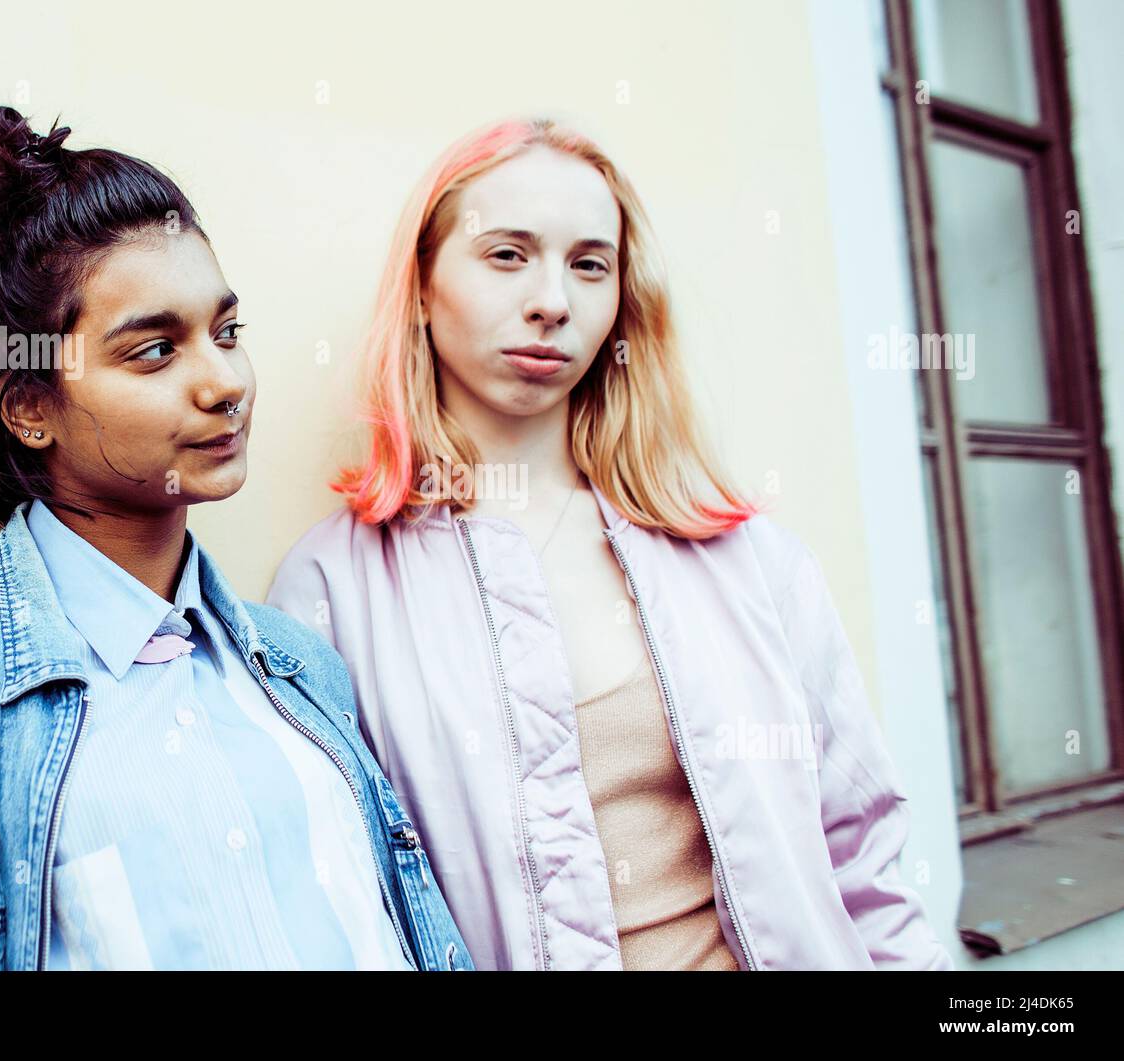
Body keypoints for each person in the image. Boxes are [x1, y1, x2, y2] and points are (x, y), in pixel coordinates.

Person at [267, 117, 955, 971]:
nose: (553, 299)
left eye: (589, 263)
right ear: (420, 286)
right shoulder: (329, 591)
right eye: (507, 254)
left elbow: (866, 860)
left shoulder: (750, 561)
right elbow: (338, 912)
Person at [0, 107, 472, 972]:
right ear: (26, 405)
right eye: (156, 350)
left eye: (227, 332)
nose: (225, 382)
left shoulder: (298, 664)